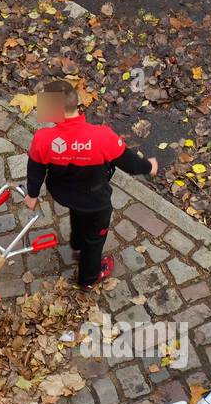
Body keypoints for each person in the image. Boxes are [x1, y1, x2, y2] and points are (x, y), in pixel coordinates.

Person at [23, 79, 158, 287]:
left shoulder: (43, 139)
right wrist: (149, 167)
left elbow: (35, 169)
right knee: (94, 240)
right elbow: (130, 164)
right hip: (95, 200)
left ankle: (77, 246)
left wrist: (32, 194)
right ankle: (88, 278)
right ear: (75, 104)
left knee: (77, 215)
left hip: (65, 194)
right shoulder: (102, 136)